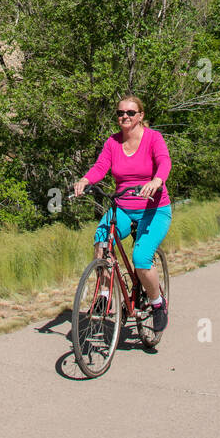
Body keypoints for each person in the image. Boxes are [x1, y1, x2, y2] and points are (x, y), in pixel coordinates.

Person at [74, 94, 172, 333]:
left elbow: (164, 161)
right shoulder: (112, 142)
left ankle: (158, 303)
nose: (124, 117)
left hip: (153, 209)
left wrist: (157, 180)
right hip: (123, 207)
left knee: (141, 259)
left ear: (140, 116)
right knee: (101, 240)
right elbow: (100, 166)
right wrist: (86, 180)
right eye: (120, 113)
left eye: (130, 113)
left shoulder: (153, 139)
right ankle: (105, 295)